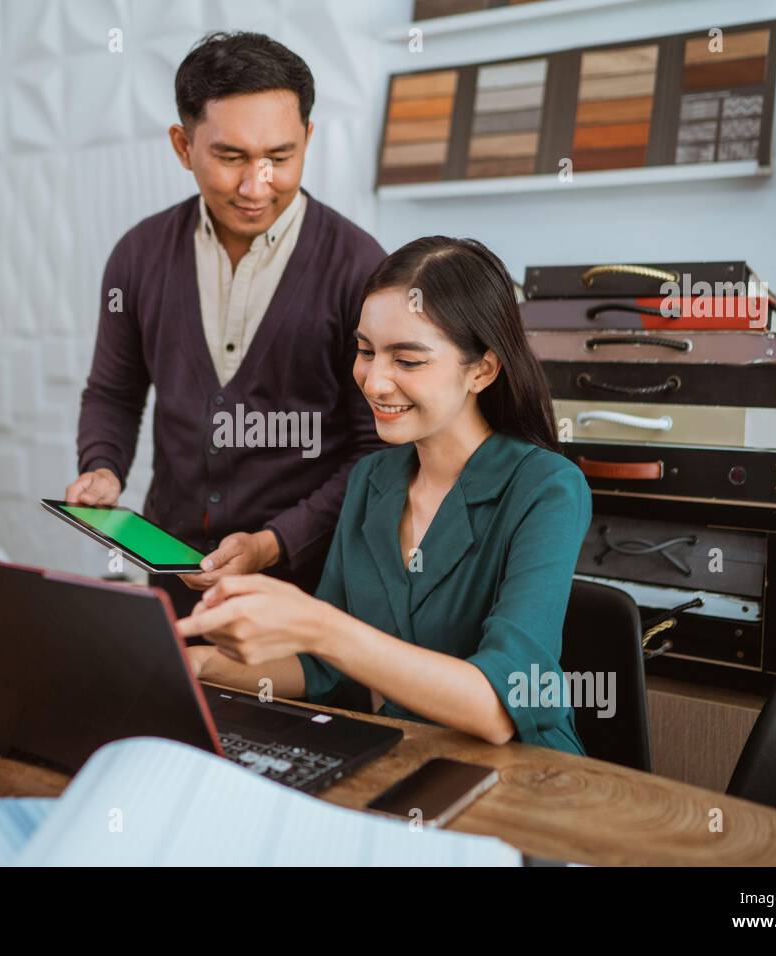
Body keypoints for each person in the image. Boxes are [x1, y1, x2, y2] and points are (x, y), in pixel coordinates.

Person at [176, 236, 591, 754]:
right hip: (409, 759)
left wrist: (317, 625)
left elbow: (498, 705)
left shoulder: (547, 487)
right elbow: (321, 668)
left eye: (408, 361)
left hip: (528, 780)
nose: (373, 382)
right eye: (367, 352)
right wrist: (192, 663)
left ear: (482, 369)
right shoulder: (372, 479)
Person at [67, 31, 385, 617]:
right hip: (176, 581)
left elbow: (378, 453)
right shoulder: (136, 258)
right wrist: (103, 468)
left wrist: (274, 543)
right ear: (182, 145)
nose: (255, 185)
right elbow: (113, 393)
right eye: (231, 157)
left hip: (314, 595)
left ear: (308, 140)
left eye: (280, 158)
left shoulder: (361, 269)